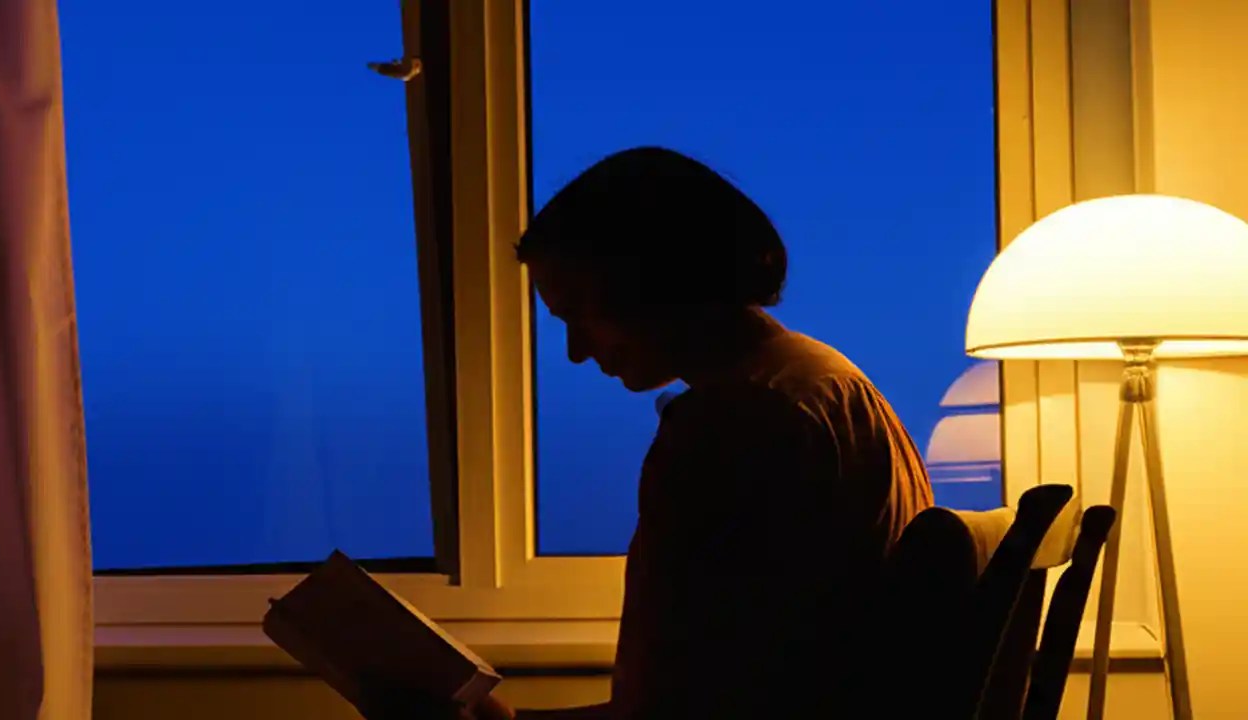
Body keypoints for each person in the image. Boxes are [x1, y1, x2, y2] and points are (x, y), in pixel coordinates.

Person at [375, 147, 934, 719]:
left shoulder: (730, 427)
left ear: (656, 279)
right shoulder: (831, 385)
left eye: (581, 314)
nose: (576, 351)